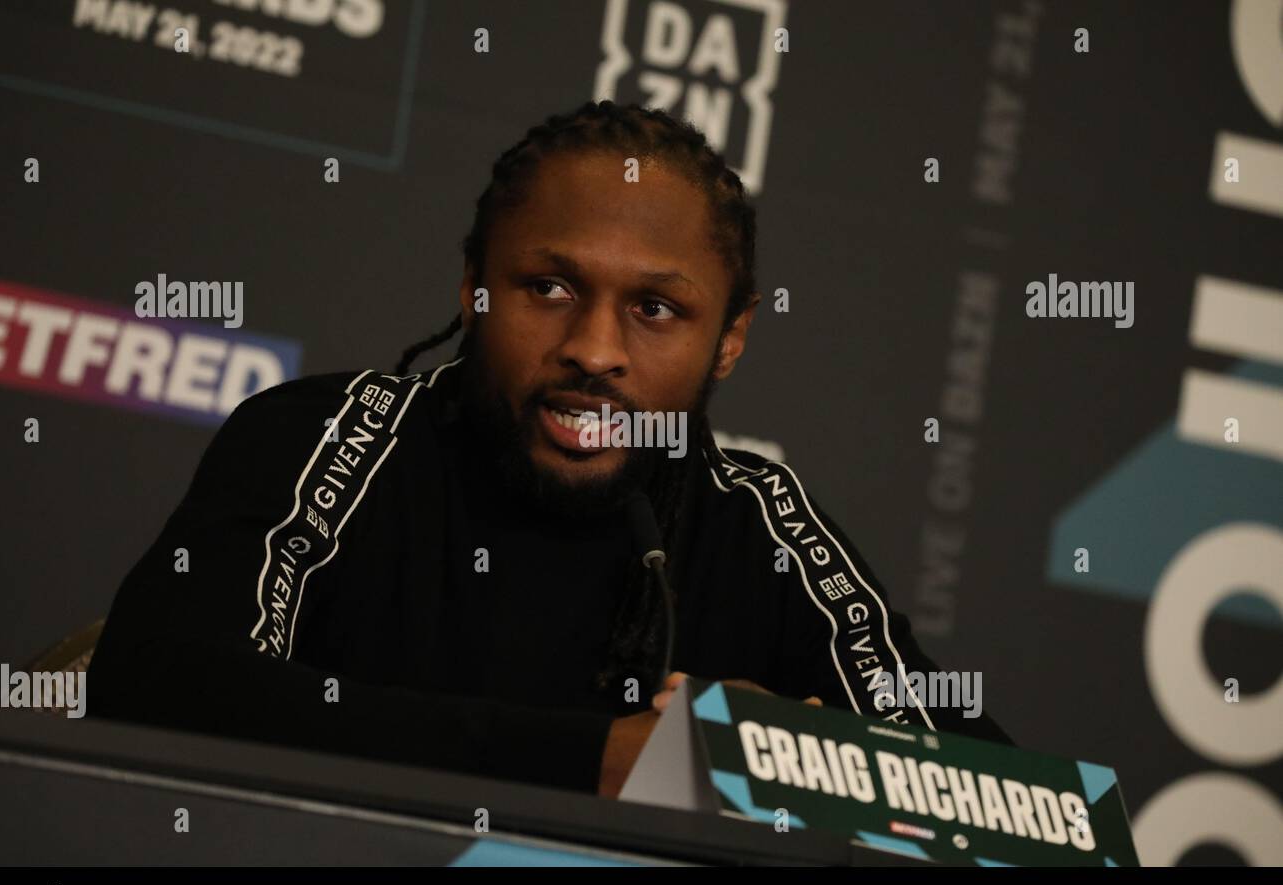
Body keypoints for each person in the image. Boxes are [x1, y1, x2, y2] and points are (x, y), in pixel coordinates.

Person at [87, 100, 1013, 799]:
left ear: (729, 339)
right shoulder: (327, 438)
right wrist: (597, 763)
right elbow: (155, 685)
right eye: (548, 287)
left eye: (657, 310)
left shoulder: (764, 529)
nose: (595, 350)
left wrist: (794, 769)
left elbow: (1011, 809)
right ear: (472, 289)